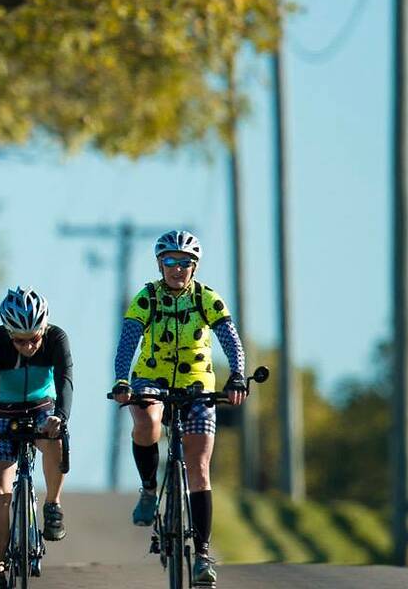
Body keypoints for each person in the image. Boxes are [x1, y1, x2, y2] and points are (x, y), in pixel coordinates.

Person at [110, 230, 249, 587]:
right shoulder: (147, 298)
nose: (177, 268)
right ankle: (148, 488)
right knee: (148, 423)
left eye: (185, 262)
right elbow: (127, 341)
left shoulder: (207, 299)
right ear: (160, 264)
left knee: (199, 465)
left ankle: (202, 554)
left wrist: (237, 377)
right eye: (170, 261)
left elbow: (230, 339)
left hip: (197, 382)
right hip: (151, 378)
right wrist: (122, 381)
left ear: (195, 267)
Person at [0, 286, 72, 589]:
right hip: (2, 411)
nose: (28, 346)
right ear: (7, 332)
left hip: (42, 408)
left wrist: (61, 417)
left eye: (34, 339)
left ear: (44, 330)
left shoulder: (57, 338)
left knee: (55, 439)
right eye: (19, 340)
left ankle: (53, 504)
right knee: (0, 493)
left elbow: (65, 380)